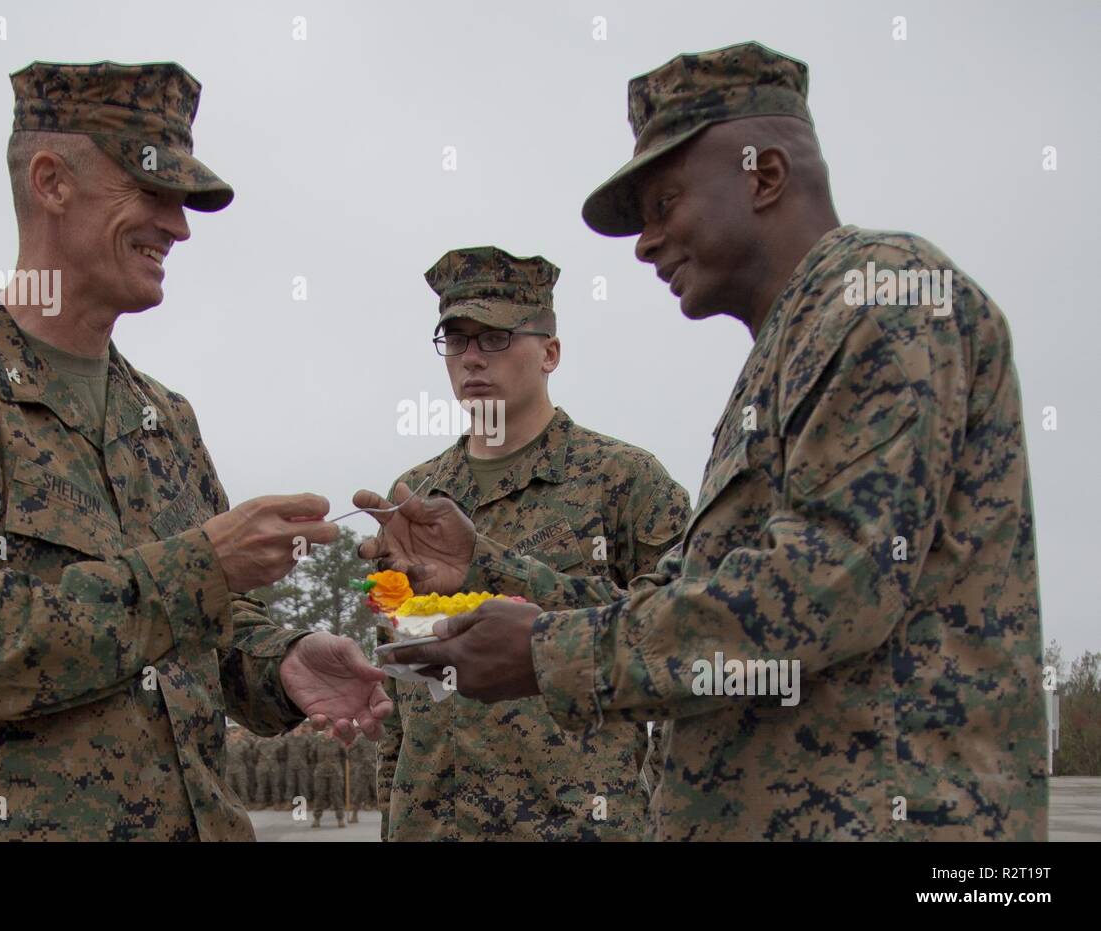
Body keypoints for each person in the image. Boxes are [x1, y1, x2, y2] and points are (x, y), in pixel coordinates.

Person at [364, 42, 1047, 841]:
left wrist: (549, 651)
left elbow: (830, 584)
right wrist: (489, 572)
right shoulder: (791, 348)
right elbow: (674, 600)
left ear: (764, 175)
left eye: (665, 204)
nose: (646, 243)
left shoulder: (881, 297)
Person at [0, 61, 390, 841]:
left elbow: (214, 625)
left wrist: (286, 661)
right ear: (51, 181)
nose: (178, 225)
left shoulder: (165, 417)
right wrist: (201, 563)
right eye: (151, 191)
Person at [376, 246, 690, 840]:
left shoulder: (625, 481)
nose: (472, 357)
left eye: (495, 337)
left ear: (550, 353)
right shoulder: (415, 497)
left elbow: (678, 643)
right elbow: (400, 678)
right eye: (458, 339)